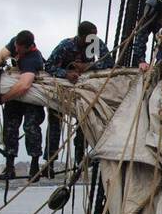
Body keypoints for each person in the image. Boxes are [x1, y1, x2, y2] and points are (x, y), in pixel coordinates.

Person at [44, 21, 113, 174]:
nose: (94, 38)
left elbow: (109, 63)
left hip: (86, 88)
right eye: (91, 36)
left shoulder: (94, 44)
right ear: (82, 36)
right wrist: (66, 74)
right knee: (55, 122)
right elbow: (49, 66)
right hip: (64, 88)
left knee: (86, 122)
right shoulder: (66, 46)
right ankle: (49, 161)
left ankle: (79, 157)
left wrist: (88, 67)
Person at [0, 30, 45, 179]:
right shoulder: (16, 43)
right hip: (14, 97)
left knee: (31, 127)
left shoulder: (33, 59)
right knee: (10, 128)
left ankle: (34, 165)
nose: (17, 49)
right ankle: (9, 166)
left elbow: (24, 86)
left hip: (30, 98)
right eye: (16, 46)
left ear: (28, 47)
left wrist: (3, 98)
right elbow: (1, 54)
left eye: (20, 48)